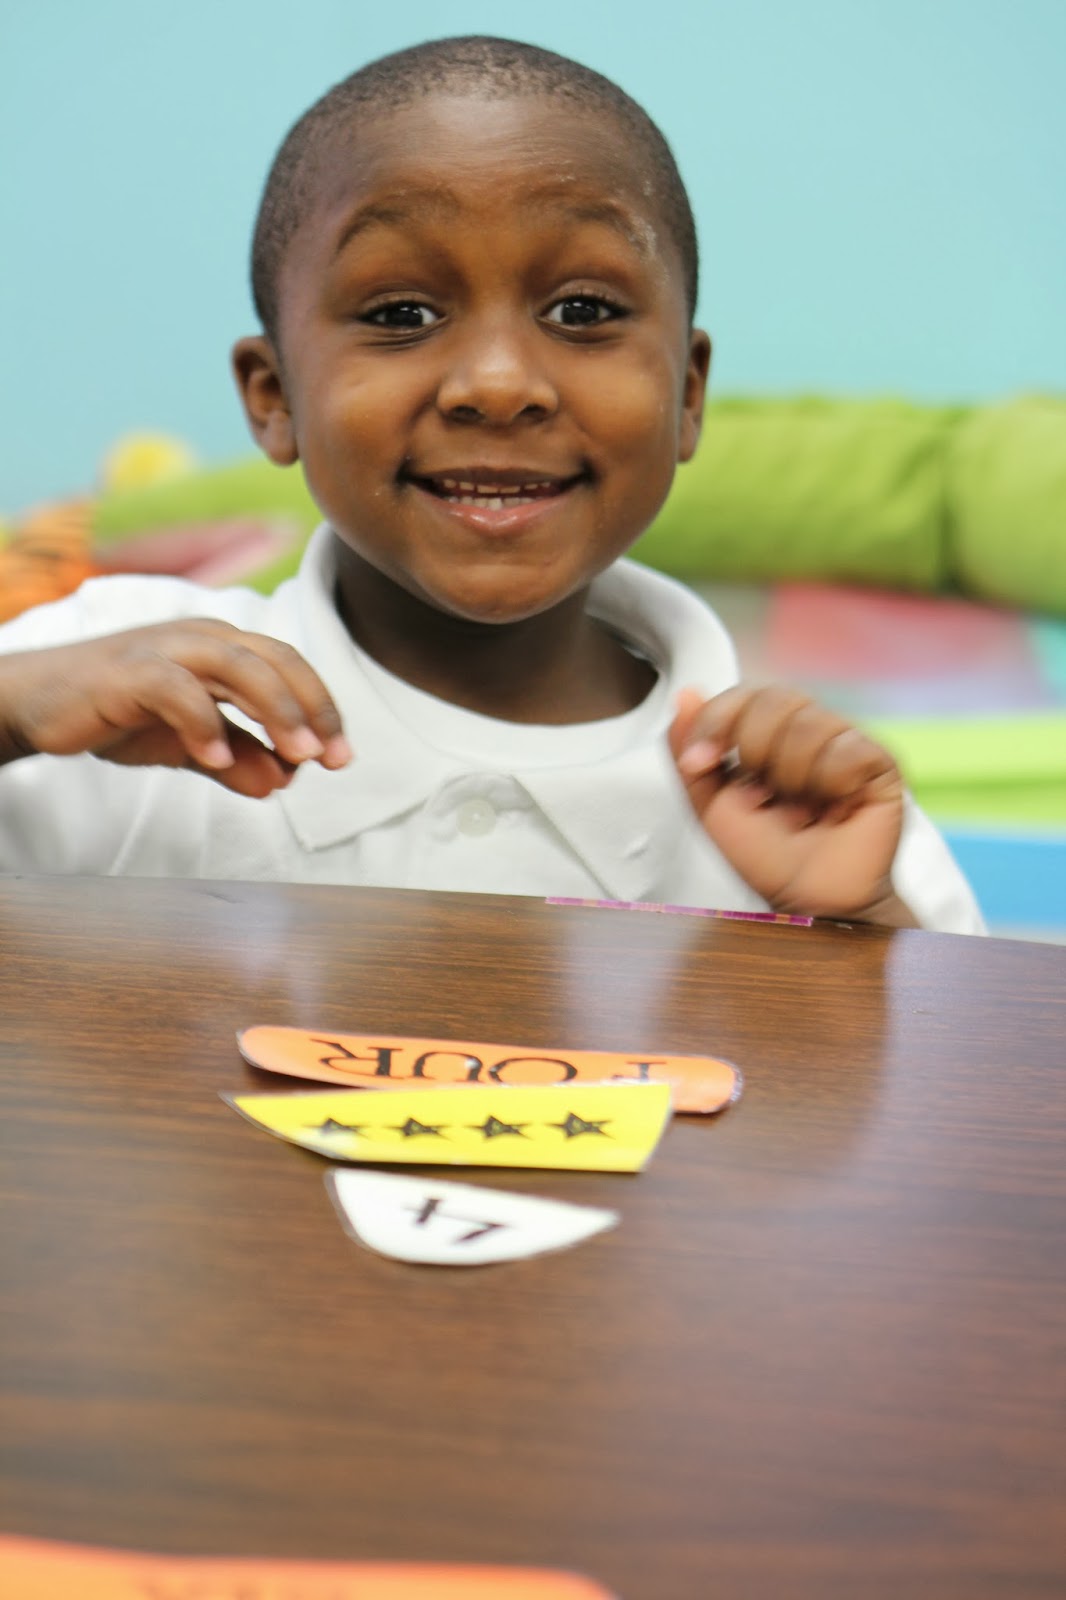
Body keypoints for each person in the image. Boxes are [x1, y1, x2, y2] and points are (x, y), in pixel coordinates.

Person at [0, 37, 982, 932]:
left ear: (686, 394)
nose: (499, 384)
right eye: (399, 311)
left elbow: (974, 1113)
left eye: (583, 308)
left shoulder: (813, 806)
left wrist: (864, 933)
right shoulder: (106, 688)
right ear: (275, 398)